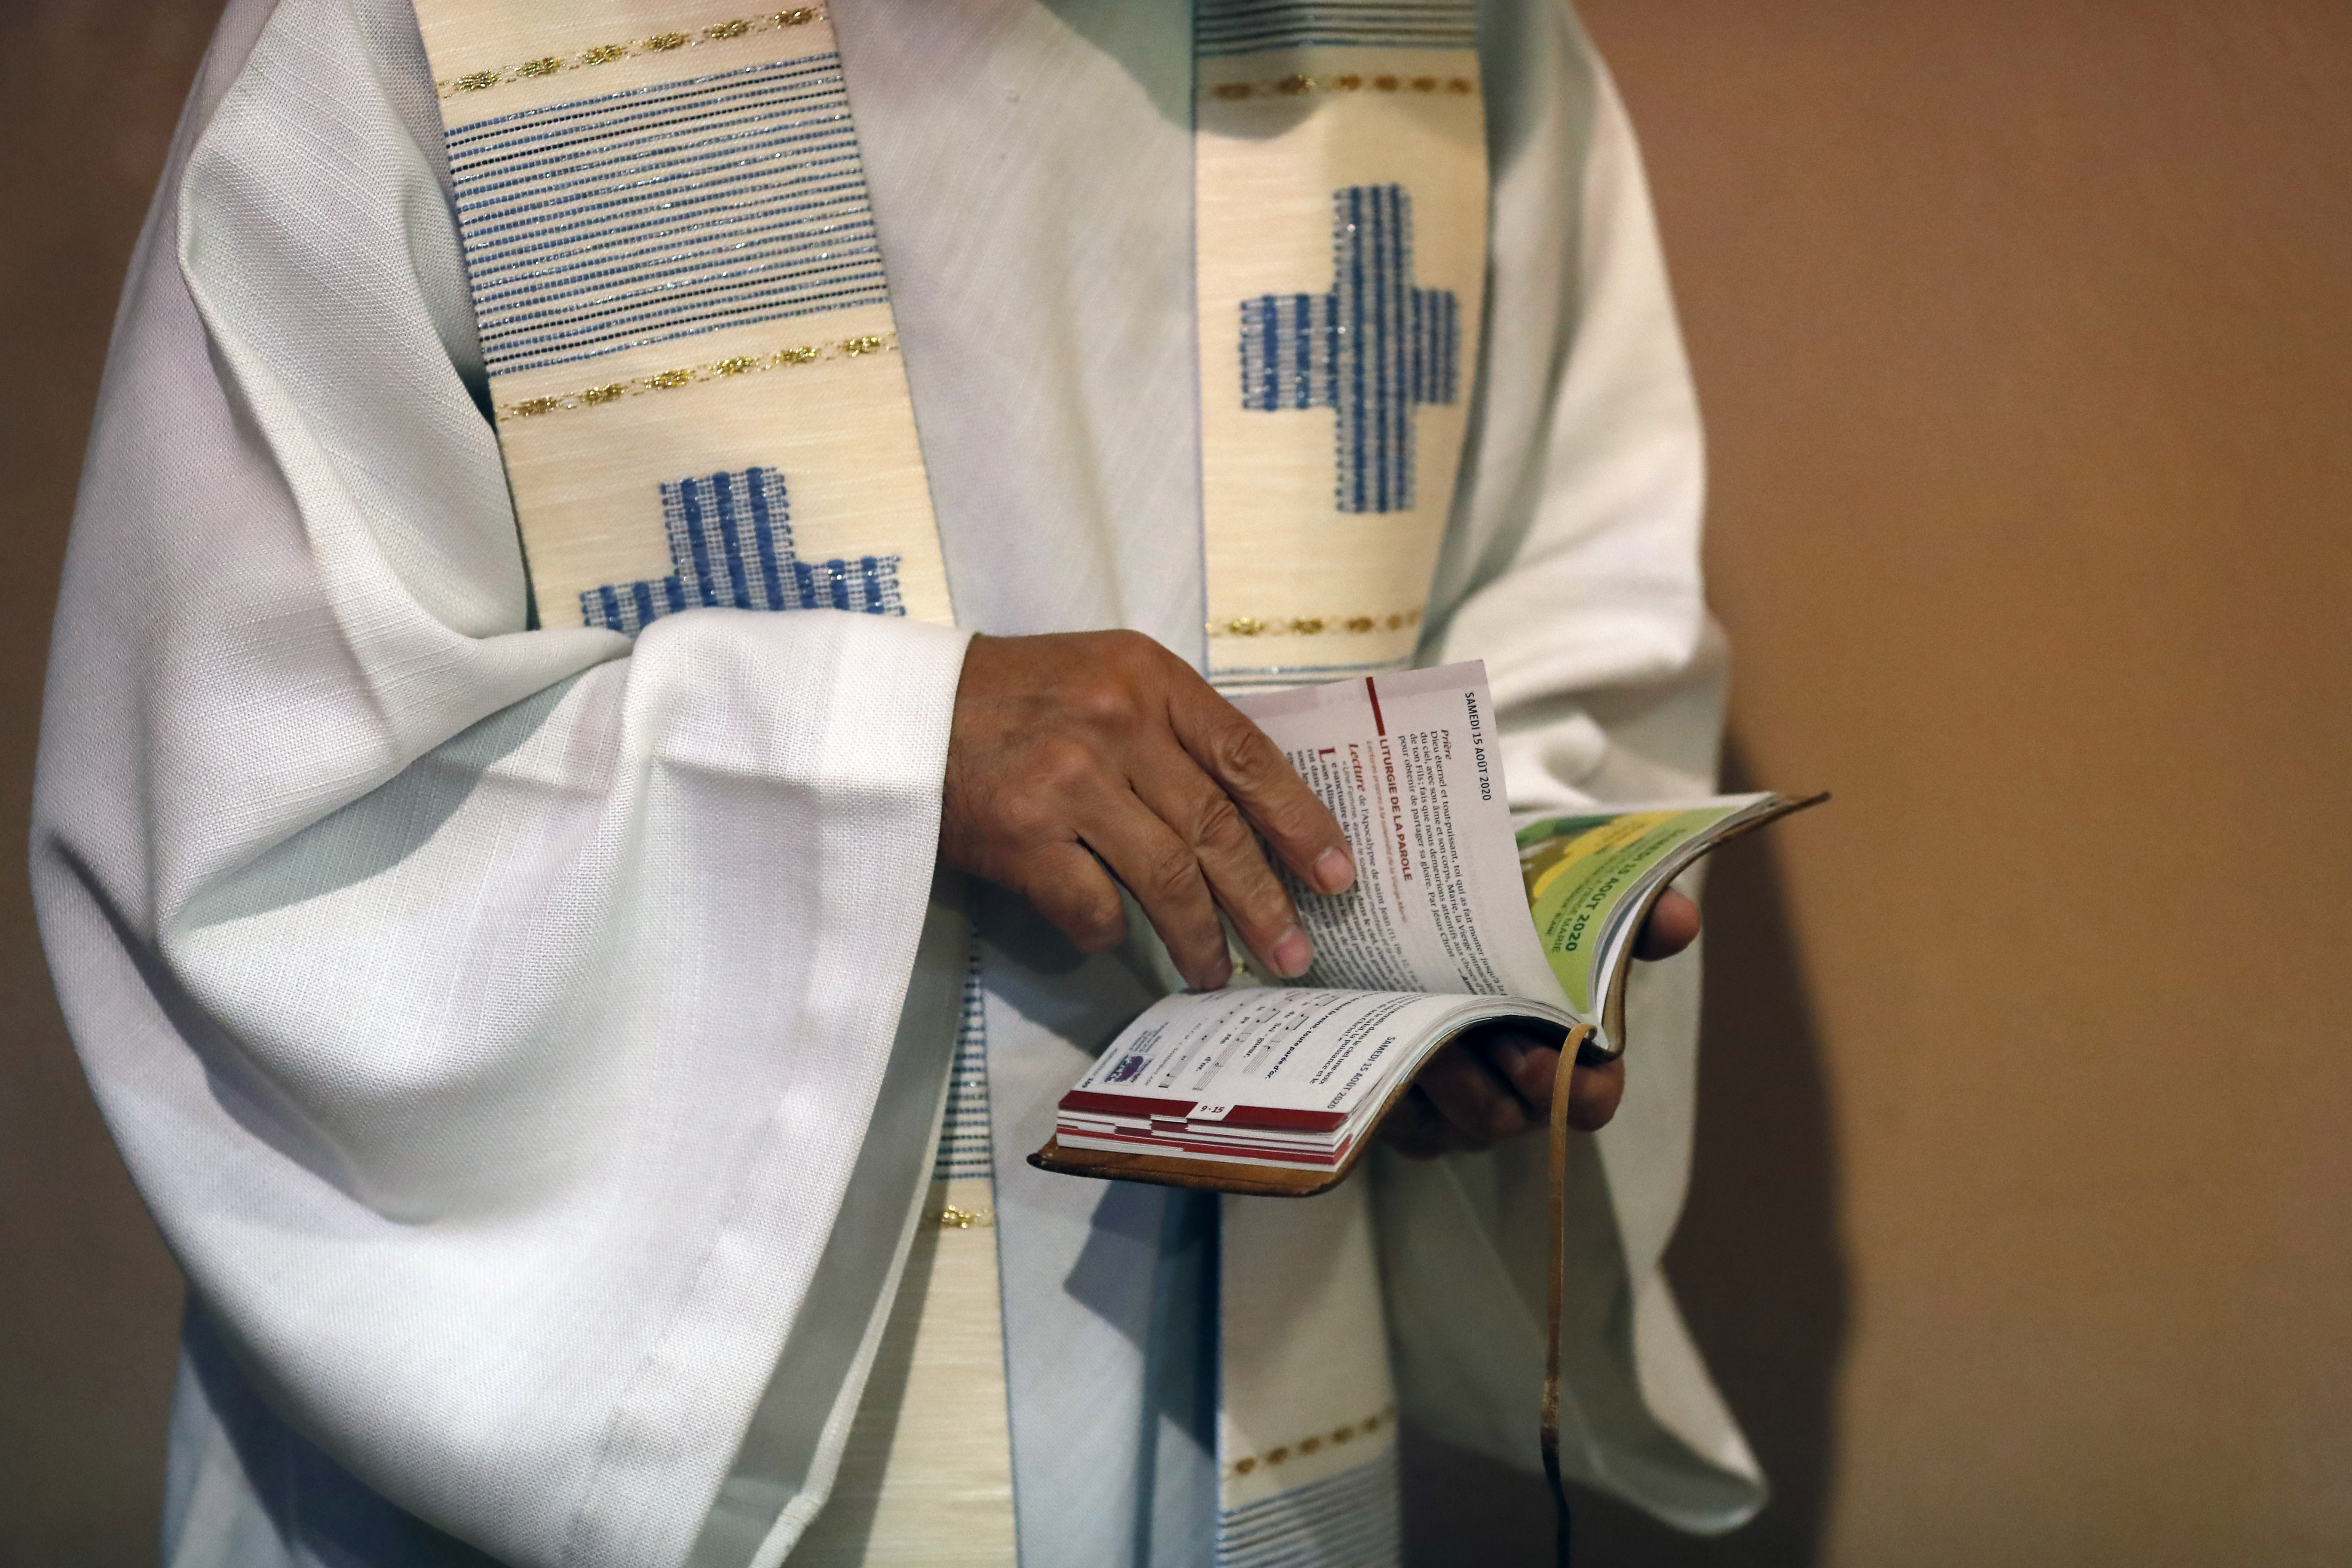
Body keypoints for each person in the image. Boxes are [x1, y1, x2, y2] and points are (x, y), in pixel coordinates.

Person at [32, 0, 1764, 1563]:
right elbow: (260, 804)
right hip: (706, 1404)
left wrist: (1479, 950)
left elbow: (1564, 594)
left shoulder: (1459, 34)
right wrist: (880, 752)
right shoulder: (421, 27)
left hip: (1244, 1331)